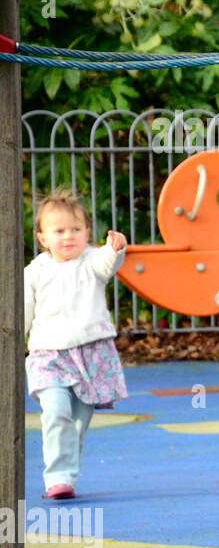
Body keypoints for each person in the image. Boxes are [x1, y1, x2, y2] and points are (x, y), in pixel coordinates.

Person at [23, 189, 129, 500]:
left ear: (86, 233)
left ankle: (66, 476)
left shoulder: (91, 261)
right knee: (56, 412)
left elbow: (108, 262)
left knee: (80, 420)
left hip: (91, 353)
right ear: (44, 238)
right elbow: (24, 310)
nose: (69, 236)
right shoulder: (35, 272)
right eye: (59, 231)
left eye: (76, 229)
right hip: (48, 354)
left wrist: (115, 247)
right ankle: (55, 475)